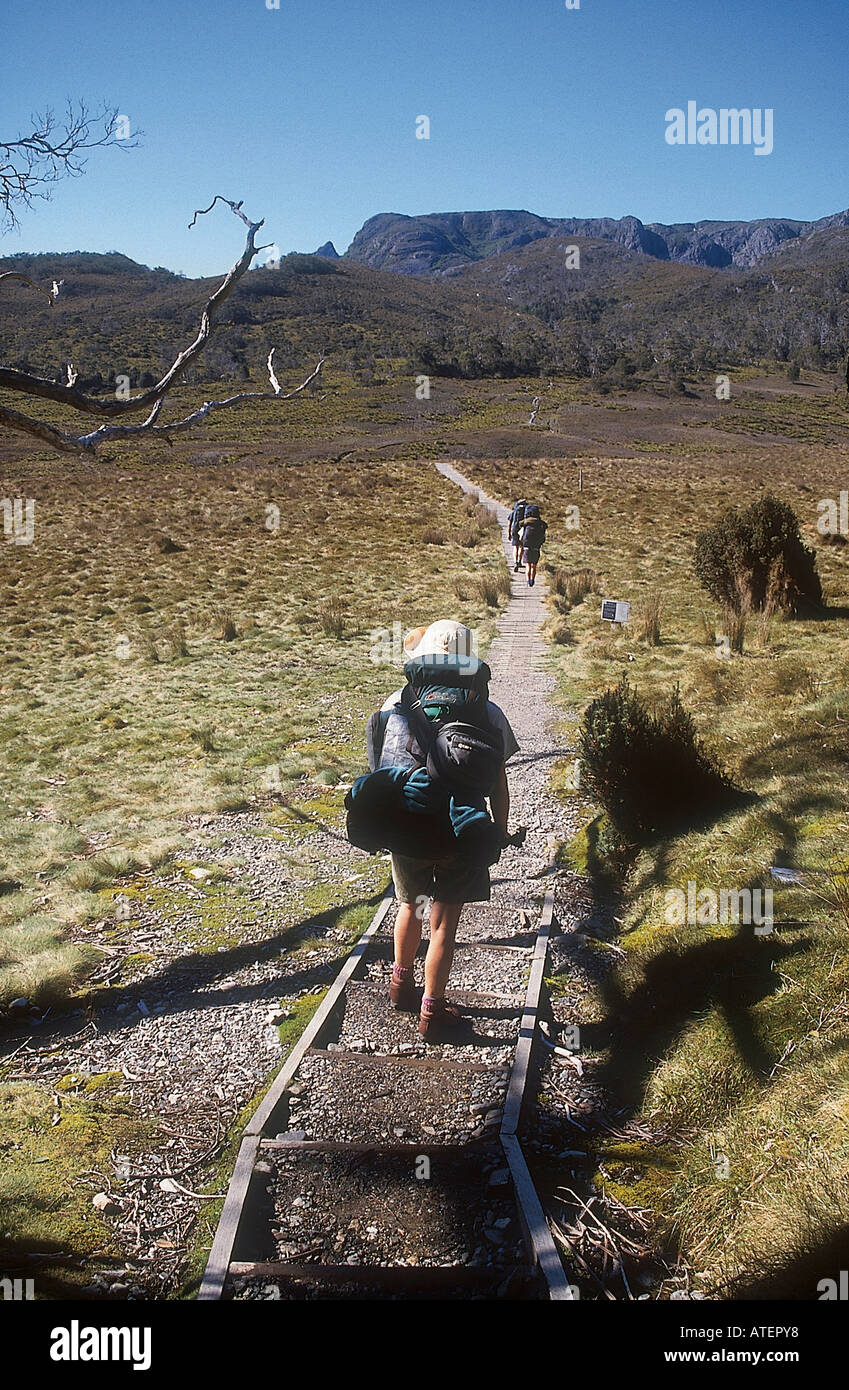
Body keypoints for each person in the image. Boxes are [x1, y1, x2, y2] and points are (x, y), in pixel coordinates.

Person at [377, 620, 519, 1041]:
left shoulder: (397, 702)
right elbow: (499, 783)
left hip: (409, 827)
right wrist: (500, 830)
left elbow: (381, 767)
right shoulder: (486, 709)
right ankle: (432, 1013)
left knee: (412, 906)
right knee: (444, 924)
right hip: (462, 829)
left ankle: (401, 987)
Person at [518, 504, 547, 587]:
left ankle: (528, 580)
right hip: (536, 547)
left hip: (527, 546)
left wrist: (521, 544)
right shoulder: (540, 524)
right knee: (533, 565)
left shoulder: (525, 523)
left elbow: (521, 536)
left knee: (528, 564)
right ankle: (532, 580)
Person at [509, 499, 528, 572]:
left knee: (515, 547)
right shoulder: (525, 512)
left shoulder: (514, 511)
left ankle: (515, 561)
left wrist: (509, 533)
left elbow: (509, 523)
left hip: (514, 528)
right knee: (521, 547)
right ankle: (519, 561)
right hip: (522, 530)